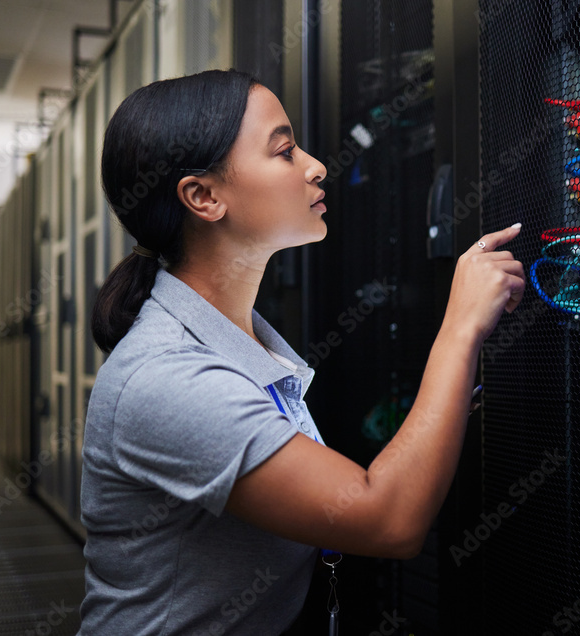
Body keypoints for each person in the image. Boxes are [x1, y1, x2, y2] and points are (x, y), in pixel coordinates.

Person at [78, 68, 525, 635]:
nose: (316, 166)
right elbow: (389, 519)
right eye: (285, 151)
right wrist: (460, 327)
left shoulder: (243, 336)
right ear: (204, 196)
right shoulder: (168, 377)